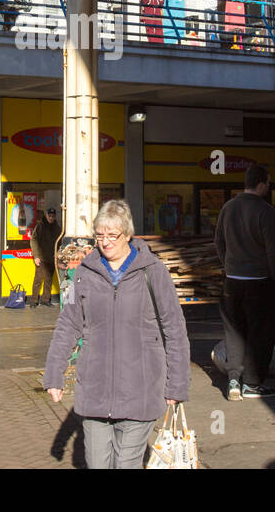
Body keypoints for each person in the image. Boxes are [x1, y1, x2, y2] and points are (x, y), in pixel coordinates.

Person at [43, 200, 190, 469]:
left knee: (126, 463)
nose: (105, 242)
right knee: (97, 464)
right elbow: (68, 324)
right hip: (95, 393)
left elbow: (174, 330)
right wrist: (54, 375)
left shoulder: (154, 272)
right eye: (99, 235)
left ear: (128, 235)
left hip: (141, 391)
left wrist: (177, 385)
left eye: (112, 235)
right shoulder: (82, 274)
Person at [213, 164, 275, 400]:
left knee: (233, 331)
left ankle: (233, 380)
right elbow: (274, 250)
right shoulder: (266, 211)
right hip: (259, 280)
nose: (269, 187)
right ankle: (251, 384)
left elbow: (218, 241)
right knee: (259, 333)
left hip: (231, 281)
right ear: (261, 183)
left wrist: (228, 264)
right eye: (269, 182)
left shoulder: (228, 207)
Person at [29, 207, 59, 308]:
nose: (51, 218)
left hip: (51, 258)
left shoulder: (57, 227)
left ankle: (46, 299)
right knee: (38, 279)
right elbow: (33, 240)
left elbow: (59, 242)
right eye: (49, 216)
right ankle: (33, 301)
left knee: (48, 280)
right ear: (46, 215)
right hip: (41, 258)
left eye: (53, 216)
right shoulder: (40, 226)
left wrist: (57, 254)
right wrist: (36, 256)